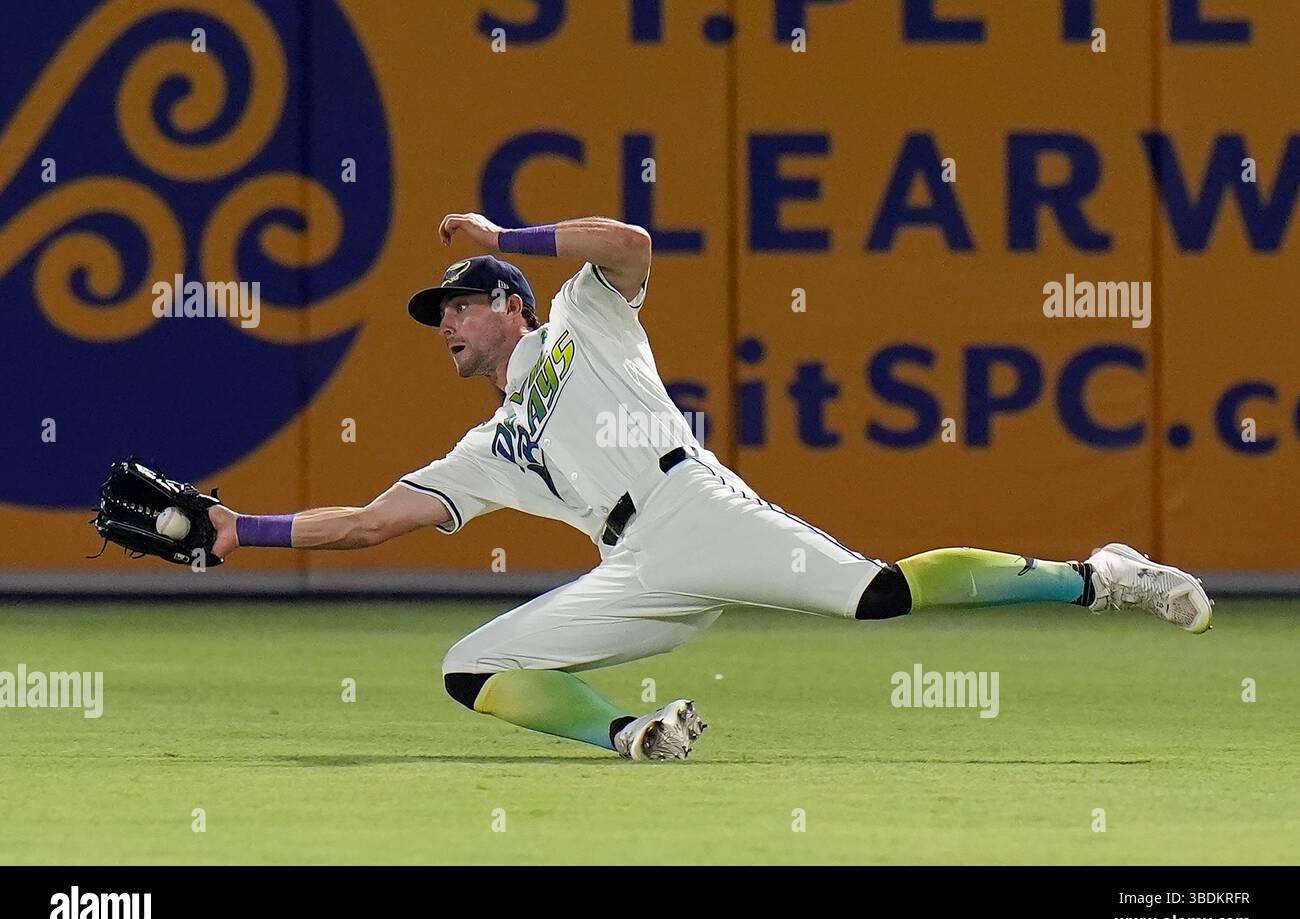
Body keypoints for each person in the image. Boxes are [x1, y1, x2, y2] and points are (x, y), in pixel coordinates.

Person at [208, 213, 1214, 761]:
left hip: (694, 503)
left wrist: (508, 236)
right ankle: (629, 732)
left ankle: (1098, 575)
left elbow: (634, 245)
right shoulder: (488, 445)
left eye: (461, 306)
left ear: (505, 305)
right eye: (440, 316)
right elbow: (370, 523)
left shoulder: (576, 318)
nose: (447, 325)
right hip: (635, 566)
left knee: (877, 593)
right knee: (468, 667)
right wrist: (236, 527)